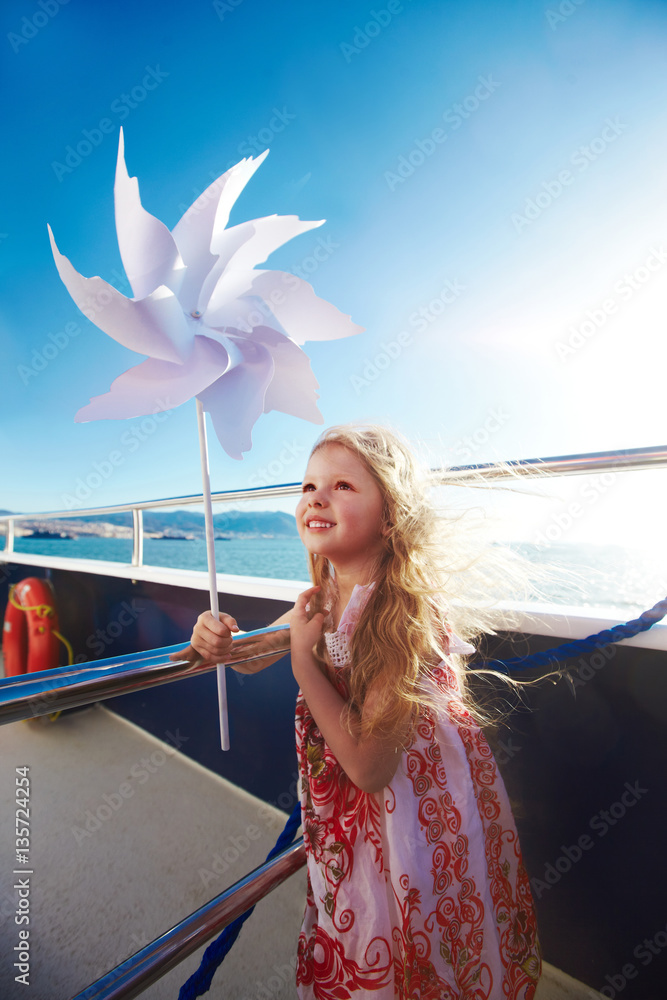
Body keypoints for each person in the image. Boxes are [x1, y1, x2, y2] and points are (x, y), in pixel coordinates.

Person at [186, 425, 541, 999]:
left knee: (401, 932)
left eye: (343, 485)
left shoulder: (400, 614)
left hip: (408, 822)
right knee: (356, 920)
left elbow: (372, 768)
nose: (315, 497)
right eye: (308, 484)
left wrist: (305, 665)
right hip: (351, 825)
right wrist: (219, 640)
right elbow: (254, 655)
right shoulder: (324, 595)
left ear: (390, 516)